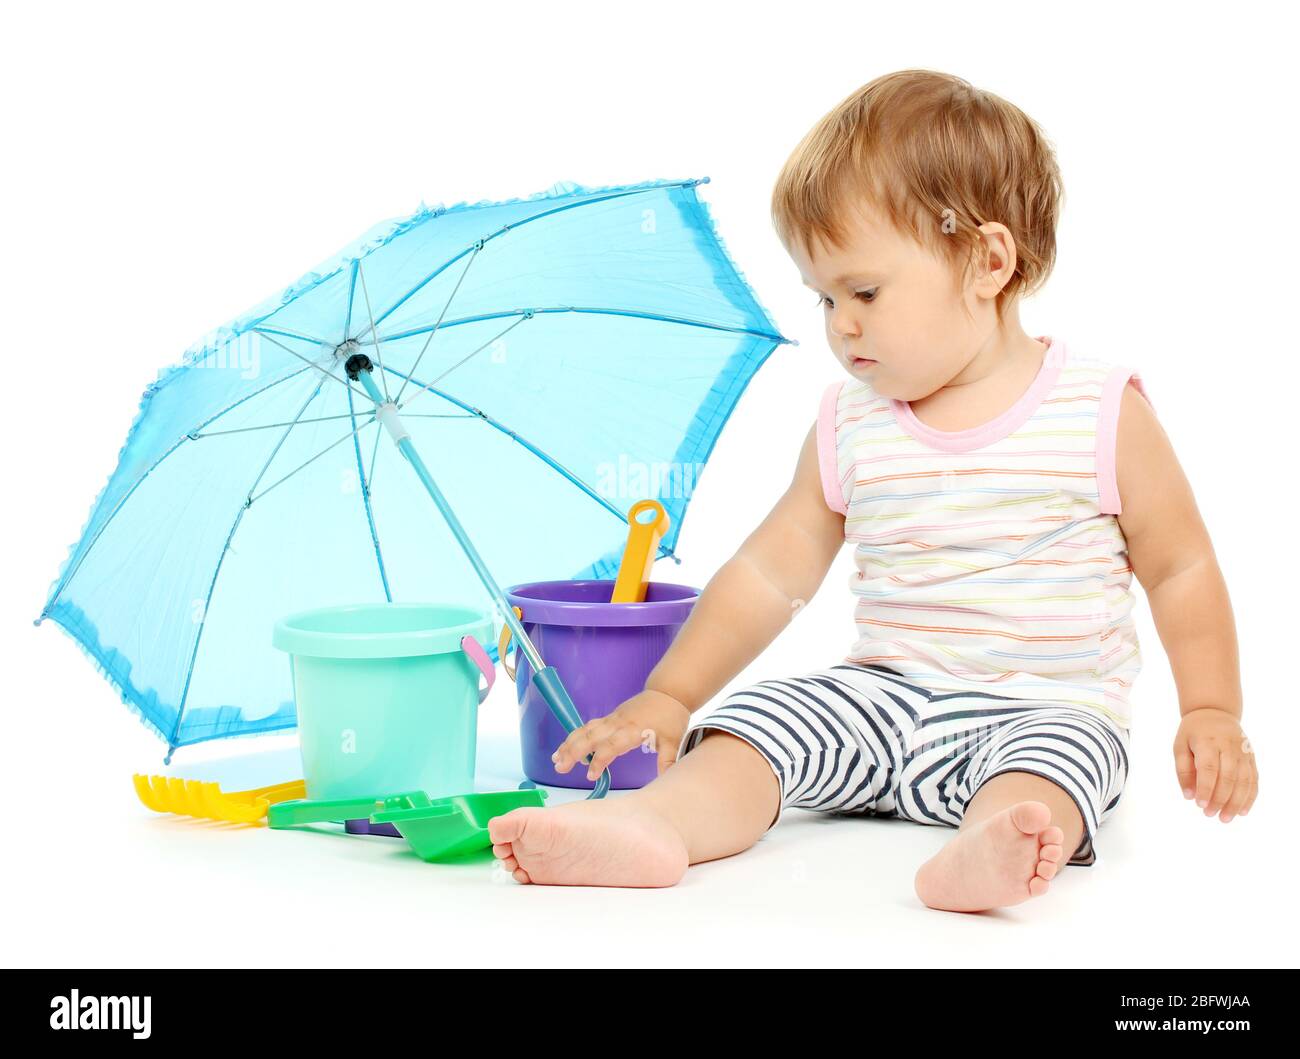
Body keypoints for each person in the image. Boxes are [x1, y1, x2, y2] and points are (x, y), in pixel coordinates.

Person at [489, 69, 1256, 911]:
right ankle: (656, 823)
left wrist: (1211, 707)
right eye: (823, 297)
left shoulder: (1101, 410)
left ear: (988, 262)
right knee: (766, 720)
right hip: (881, 702)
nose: (840, 323)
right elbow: (768, 575)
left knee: (1059, 763)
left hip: (1041, 705)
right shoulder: (852, 423)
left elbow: (1180, 566)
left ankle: (992, 848)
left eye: (864, 291)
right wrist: (672, 695)